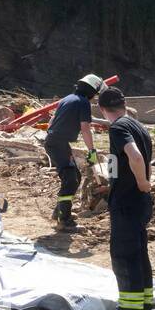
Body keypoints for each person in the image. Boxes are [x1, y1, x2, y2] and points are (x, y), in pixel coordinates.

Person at [97, 87, 155, 310]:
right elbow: (121, 160)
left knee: (124, 256)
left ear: (101, 109)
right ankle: (143, 308)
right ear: (125, 103)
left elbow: (136, 156)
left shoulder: (119, 127)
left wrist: (142, 183)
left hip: (128, 201)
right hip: (138, 202)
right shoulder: (137, 125)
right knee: (139, 254)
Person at [45, 74, 104, 230]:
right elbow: (85, 128)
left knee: (74, 176)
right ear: (92, 91)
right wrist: (92, 151)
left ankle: (60, 211)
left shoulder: (68, 99)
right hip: (58, 143)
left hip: (56, 142)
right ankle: (64, 220)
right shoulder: (83, 103)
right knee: (71, 180)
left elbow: (51, 121)